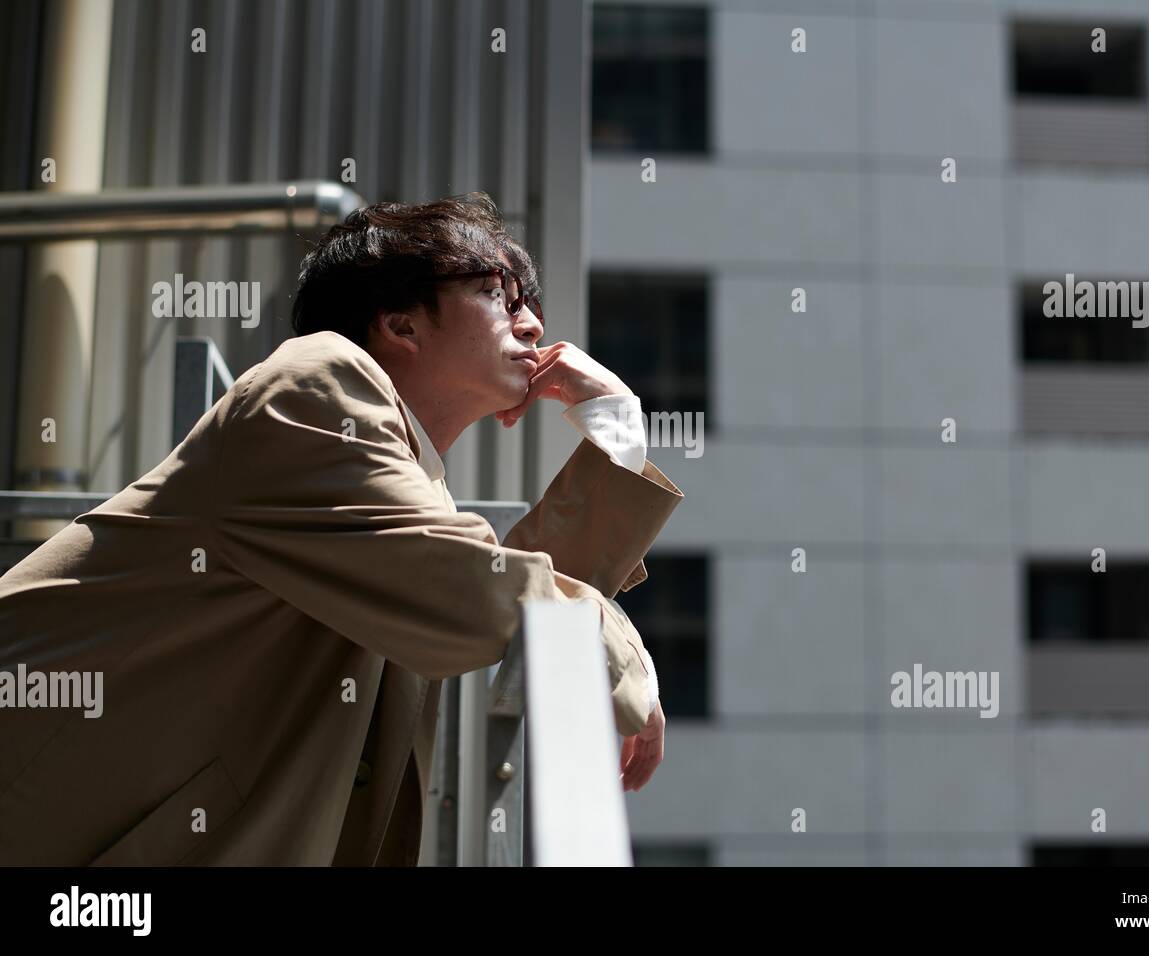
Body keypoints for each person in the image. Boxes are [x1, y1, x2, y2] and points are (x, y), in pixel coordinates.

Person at [0, 192, 683, 865]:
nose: (532, 325)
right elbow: (476, 596)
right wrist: (624, 660)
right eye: (499, 295)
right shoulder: (316, 382)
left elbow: (497, 595)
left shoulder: (406, 493)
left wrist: (616, 427)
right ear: (401, 323)